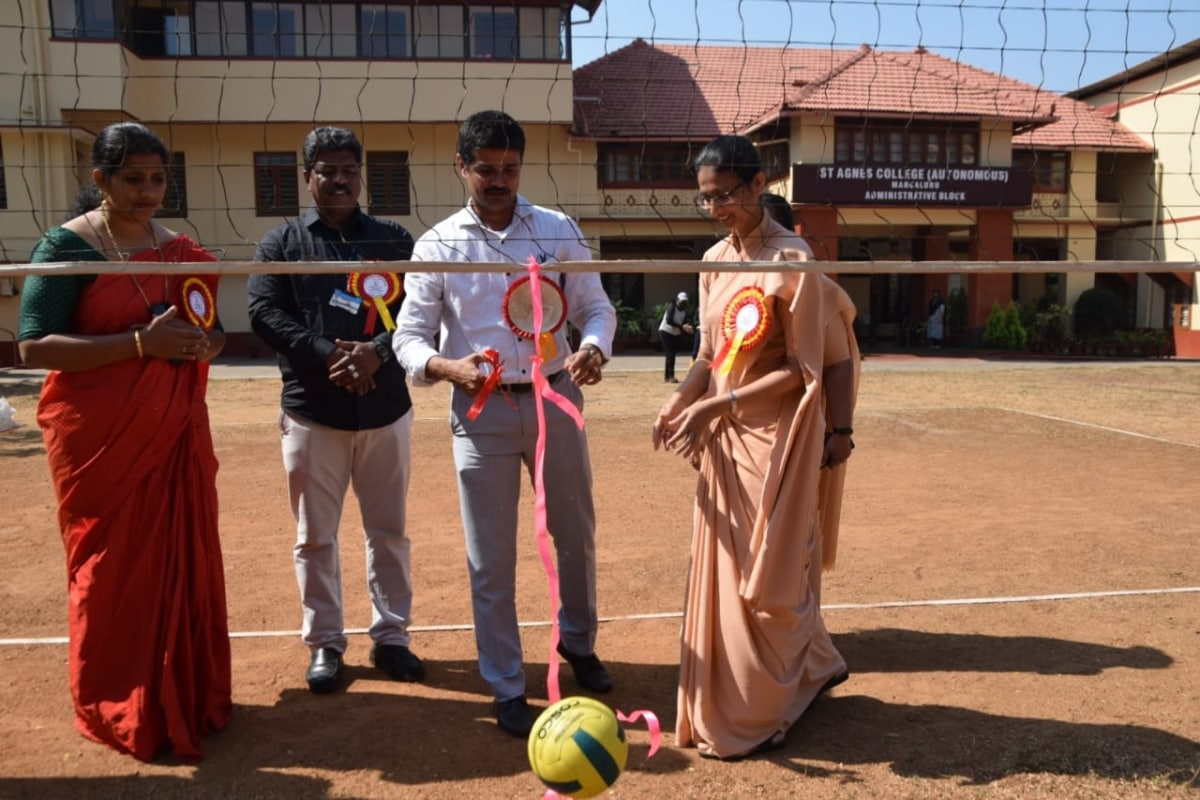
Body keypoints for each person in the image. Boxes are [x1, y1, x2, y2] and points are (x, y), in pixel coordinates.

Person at [394, 110, 617, 738]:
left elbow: (596, 307)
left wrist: (593, 347)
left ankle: (578, 642)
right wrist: (445, 366)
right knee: (489, 555)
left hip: (555, 398)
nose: (498, 180)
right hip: (481, 411)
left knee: (575, 535)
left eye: (510, 169)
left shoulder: (556, 229)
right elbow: (408, 337)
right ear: (461, 167)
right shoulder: (438, 245)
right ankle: (506, 682)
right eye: (485, 169)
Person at [17, 122, 230, 761]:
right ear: (101, 179)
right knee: (108, 568)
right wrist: (140, 343)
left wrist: (202, 344)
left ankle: (183, 692)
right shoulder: (67, 247)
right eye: (132, 179)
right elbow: (33, 346)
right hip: (98, 438)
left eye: (157, 179)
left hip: (173, 430)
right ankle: (117, 699)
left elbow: (214, 332)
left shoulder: (180, 252)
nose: (147, 192)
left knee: (180, 560)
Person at [651, 134, 860, 760]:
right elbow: (708, 355)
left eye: (724, 196)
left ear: (758, 184)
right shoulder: (714, 258)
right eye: (705, 198)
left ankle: (770, 701)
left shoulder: (794, 257)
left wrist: (722, 403)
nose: (715, 209)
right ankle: (787, 675)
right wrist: (680, 401)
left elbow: (805, 368)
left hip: (775, 438)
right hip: (723, 440)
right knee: (725, 571)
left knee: (770, 575)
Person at [247, 126, 424, 695]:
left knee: (389, 532)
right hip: (312, 412)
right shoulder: (281, 243)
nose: (340, 179)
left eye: (349, 169)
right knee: (315, 536)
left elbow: (422, 311)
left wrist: (376, 353)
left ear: (360, 175)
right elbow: (264, 314)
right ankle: (325, 641)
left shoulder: (393, 240)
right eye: (327, 170)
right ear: (308, 178)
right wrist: (329, 353)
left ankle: (392, 637)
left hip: (386, 410)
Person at [658, 291, 694, 382]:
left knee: (671, 354)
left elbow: (683, 323)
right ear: (677, 300)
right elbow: (669, 320)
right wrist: (682, 326)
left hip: (675, 333)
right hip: (666, 331)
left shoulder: (684, 312)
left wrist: (687, 328)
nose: (683, 304)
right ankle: (671, 376)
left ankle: (667, 376)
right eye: (682, 302)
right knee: (670, 353)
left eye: (685, 302)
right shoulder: (672, 307)